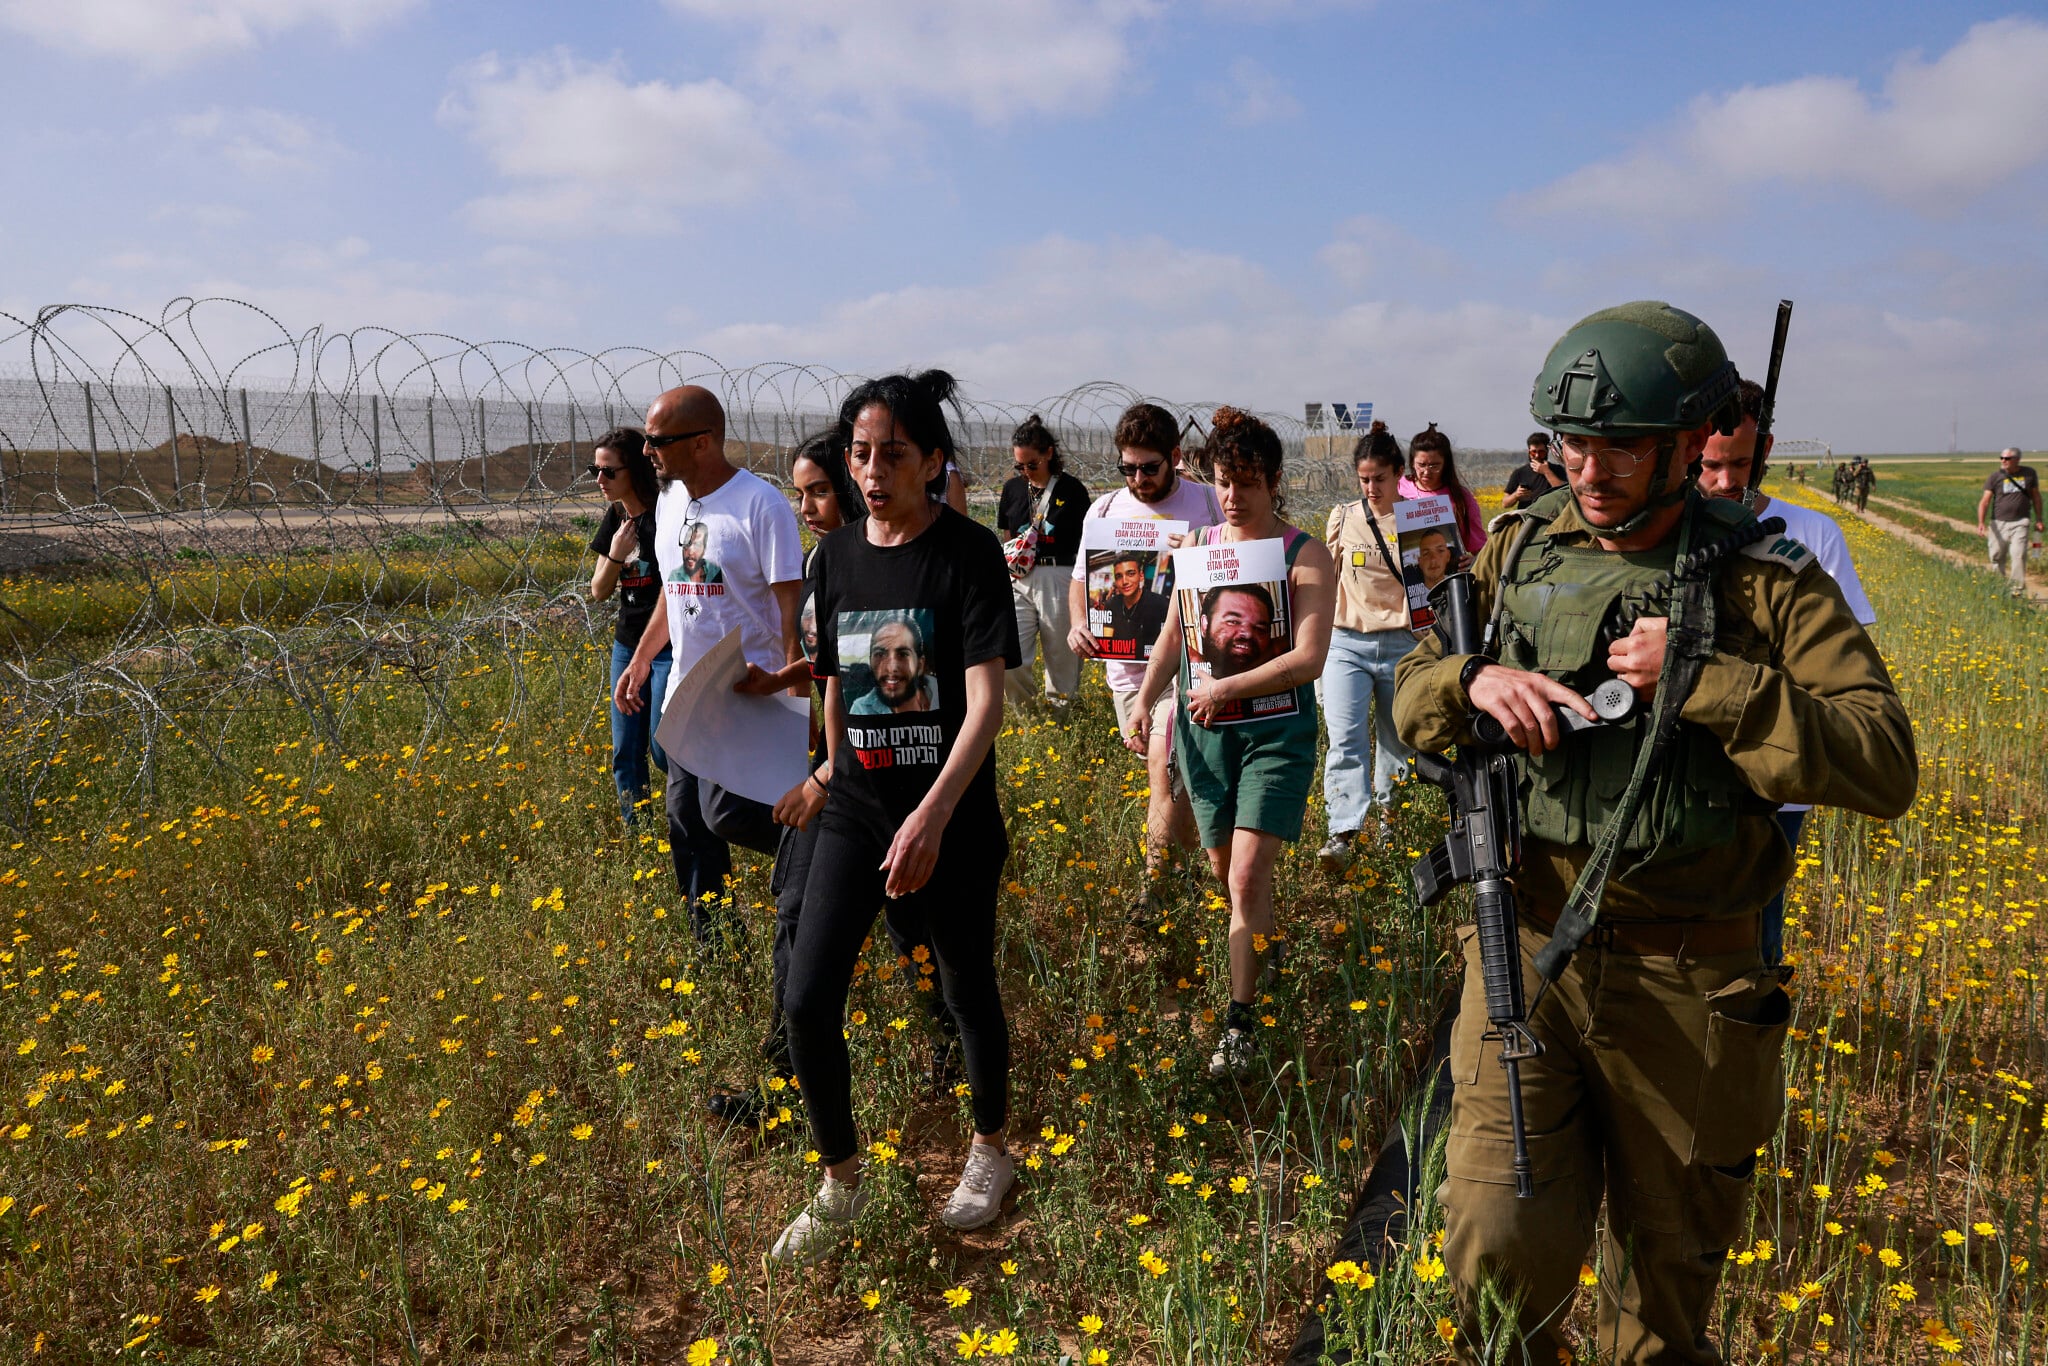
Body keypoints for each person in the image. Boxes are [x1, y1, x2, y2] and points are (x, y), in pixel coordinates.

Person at [1393, 301, 1916, 1365]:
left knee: (1660, 1306)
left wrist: (1709, 681)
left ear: (1688, 445)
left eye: (1621, 447)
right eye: (1574, 443)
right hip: (1524, 960)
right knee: (1494, 1255)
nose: (1589, 470)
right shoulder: (1520, 554)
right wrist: (1467, 678)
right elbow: (1406, 696)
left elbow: (1881, 759)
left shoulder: (1769, 582)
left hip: (1692, 988)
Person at [771, 370, 1021, 1262]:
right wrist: (831, 775)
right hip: (857, 811)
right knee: (805, 1000)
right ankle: (840, 1176)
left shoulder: (968, 553)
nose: (872, 472)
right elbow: (836, 687)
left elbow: (986, 704)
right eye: (861, 454)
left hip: (949, 814)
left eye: (893, 455)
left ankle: (991, 1149)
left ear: (932, 461)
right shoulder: (831, 559)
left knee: (963, 989)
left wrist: (932, 817)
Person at [709, 432, 954, 1126]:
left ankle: (948, 1049)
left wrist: (825, 773)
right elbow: (830, 666)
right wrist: (780, 679)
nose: (806, 505)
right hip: (836, 778)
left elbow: (903, 691)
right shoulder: (826, 562)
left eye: (817, 489)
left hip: (882, 782)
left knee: (914, 921)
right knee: (796, 913)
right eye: (800, 490)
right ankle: (788, 1082)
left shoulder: (896, 568)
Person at [1128, 407, 1334, 1081]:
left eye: (1248, 481)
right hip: (1206, 736)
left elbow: (1307, 658)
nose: (1234, 495)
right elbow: (1170, 635)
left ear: (1275, 482)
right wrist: (1145, 699)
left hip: (1274, 734)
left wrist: (1230, 687)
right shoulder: (1198, 550)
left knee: (1247, 874)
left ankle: (1240, 1023)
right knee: (1227, 875)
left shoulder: (1303, 554)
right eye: (1224, 480)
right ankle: (1267, 961)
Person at [1696, 378, 1878, 968]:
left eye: (1742, 463)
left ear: (1767, 448)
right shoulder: (1668, 534)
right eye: (1710, 465)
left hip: (1777, 776)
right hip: (1689, 768)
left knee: (1760, 929)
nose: (1726, 482)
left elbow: (1842, 663)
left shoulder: (1814, 535)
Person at [615, 386, 803, 940]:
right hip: (688, 693)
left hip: (752, 695)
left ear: (702, 443)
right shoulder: (671, 501)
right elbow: (678, 594)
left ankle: (830, 856)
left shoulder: (759, 505)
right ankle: (715, 944)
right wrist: (644, 659)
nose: (646, 452)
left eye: (657, 441)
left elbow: (790, 613)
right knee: (688, 823)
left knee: (733, 814)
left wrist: (799, 700)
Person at [1065, 401, 1223, 918]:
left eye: (1148, 468)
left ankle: (1154, 888)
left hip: (1193, 665)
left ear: (1175, 457)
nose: (1136, 479)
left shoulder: (1209, 502)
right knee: (1174, 777)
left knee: (1166, 764)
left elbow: (1242, 564)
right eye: (1126, 468)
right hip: (1128, 670)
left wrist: (1199, 550)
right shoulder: (1106, 511)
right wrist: (1078, 625)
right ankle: (1191, 872)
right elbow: (1079, 585)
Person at [1317, 422, 1416, 871]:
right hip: (1346, 644)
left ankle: (1393, 823)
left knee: (1397, 742)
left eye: (1380, 478)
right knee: (1345, 739)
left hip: (1404, 645)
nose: (1372, 488)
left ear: (1399, 473)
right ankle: (1342, 832)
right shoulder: (1344, 517)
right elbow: (1325, 581)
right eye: (1364, 479)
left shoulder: (1420, 519)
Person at [586, 427, 670, 825]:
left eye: (608, 472)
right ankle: (641, 835)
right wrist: (616, 554)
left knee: (662, 747)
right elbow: (599, 589)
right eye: (594, 470)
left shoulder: (666, 517)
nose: (599, 480)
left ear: (633, 470)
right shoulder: (617, 515)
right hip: (626, 646)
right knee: (625, 751)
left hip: (667, 648)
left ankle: (689, 815)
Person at [998, 415, 1089, 706]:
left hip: (1059, 576)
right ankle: (1027, 716)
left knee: (1062, 658)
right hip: (1018, 579)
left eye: (1032, 464)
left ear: (1049, 454)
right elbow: (1008, 536)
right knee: (1010, 659)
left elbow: (1087, 542)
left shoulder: (1072, 491)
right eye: (1019, 466)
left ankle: (1061, 718)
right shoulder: (1012, 489)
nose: (1025, 471)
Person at [1400, 423, 1486, 556]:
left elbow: (1480, 550)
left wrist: (1473, 561)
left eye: (1434, 465)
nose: (1427, 472)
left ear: (1446, 464)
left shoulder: (1461, 497)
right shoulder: (1399, 487)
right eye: (1421, 465)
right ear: (1412, 462)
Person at [1977, 447, 2041, 596]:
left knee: (2018, 555)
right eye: (2001, 458)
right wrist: (1981, 522)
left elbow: (2036, 497)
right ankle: (1999, 587)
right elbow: (1985, 501)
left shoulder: (2029, 474)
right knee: (1997, 556)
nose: (2003, 461)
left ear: (2017, 460)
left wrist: (2039, 519)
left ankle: (2016, 591)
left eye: (2007, 458)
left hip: (2021, 522)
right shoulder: (1995, 477)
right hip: (1998, 523)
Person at [1102, 554, 1170, 645]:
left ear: (1141, 576)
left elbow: (1170, 639)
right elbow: (1107, 642)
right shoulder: (1112, 604)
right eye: (1119, 576)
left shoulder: (1160, 603)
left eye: (1130, 574)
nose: (1125, 581)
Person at [1501, 430, 1566, 509]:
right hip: (1526, 515)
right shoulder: (1519, 472)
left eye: (1541, 452)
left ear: (1547, 451)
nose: (1537, 455)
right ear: (1529, 452)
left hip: (1550, 514)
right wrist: (1516, 495)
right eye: (1533, 452)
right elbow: (1505, 504)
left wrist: (1546, 472)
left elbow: (1564, 493)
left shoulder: (1557, 470)